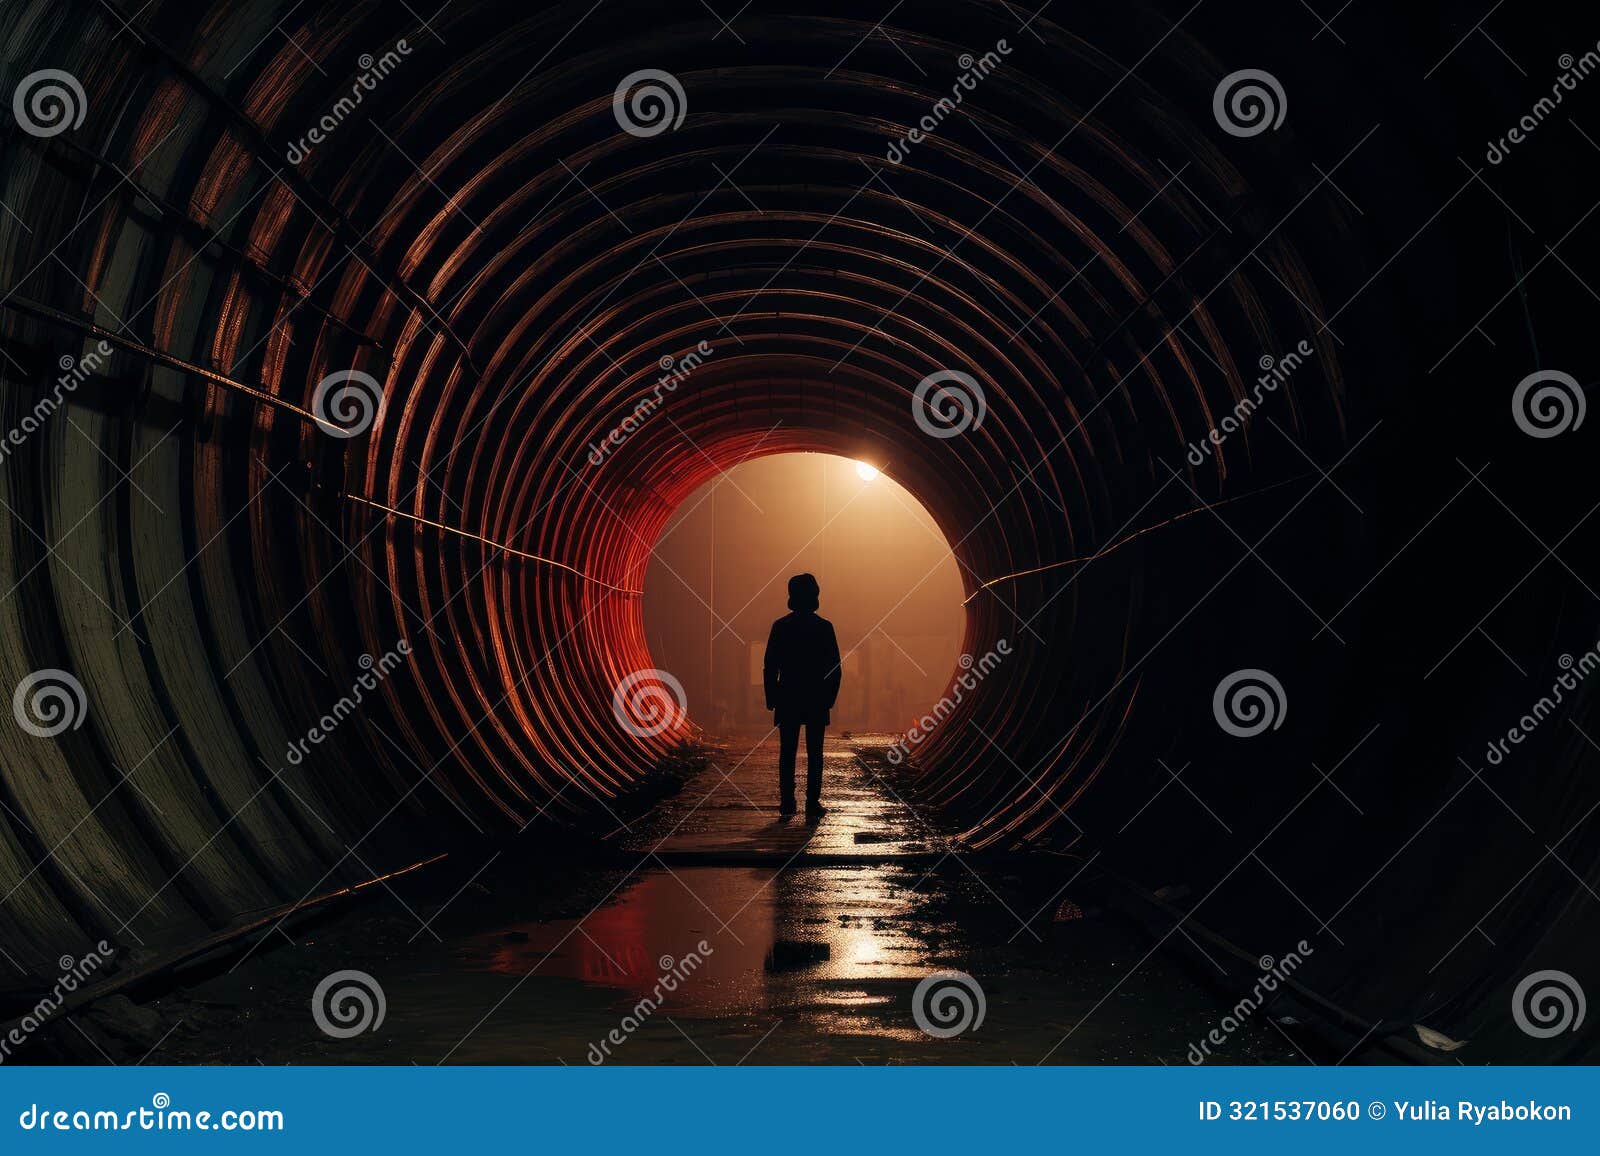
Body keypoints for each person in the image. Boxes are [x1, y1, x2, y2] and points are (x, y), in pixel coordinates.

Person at [763, 573, 841, 819]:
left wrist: (771, 698)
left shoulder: (781, 627)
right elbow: (835, 668)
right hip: (816, 698)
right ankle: (812, 802)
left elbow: (770, 665)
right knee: (815, 753)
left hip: (788, 697)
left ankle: (787, 802)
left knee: (788, 751)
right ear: (815, 596)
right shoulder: (824, 628)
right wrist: (829, 699)